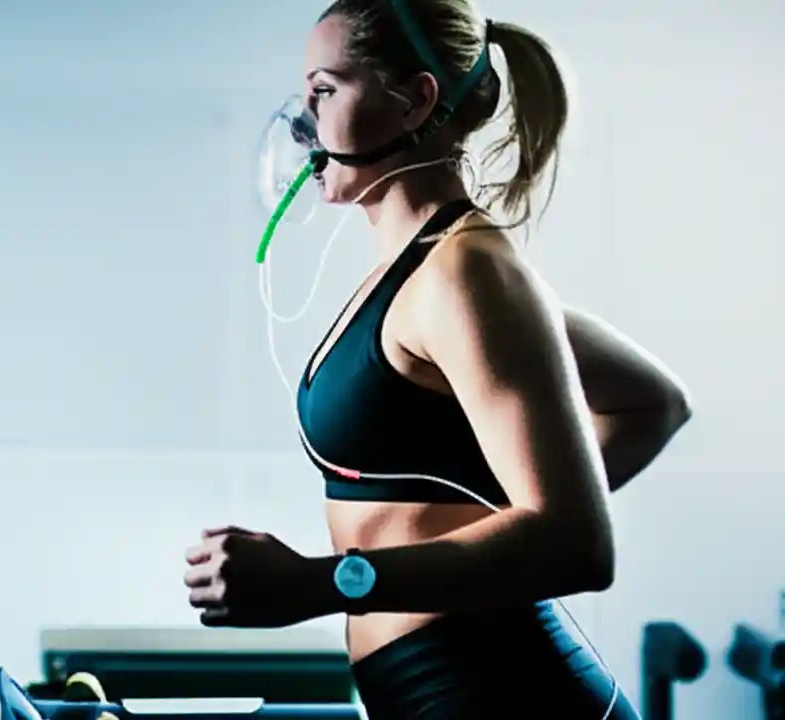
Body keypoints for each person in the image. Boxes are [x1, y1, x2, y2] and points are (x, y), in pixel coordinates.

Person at [184, 1, 691, 717]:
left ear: (415, 100)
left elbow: (577, 545)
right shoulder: (423, 275)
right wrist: (489, 513)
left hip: (500, 692)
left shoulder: (467, 272)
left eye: (325, 91)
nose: (304, 121)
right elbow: (655, 400)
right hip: (432, 691)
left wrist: (319, 583)